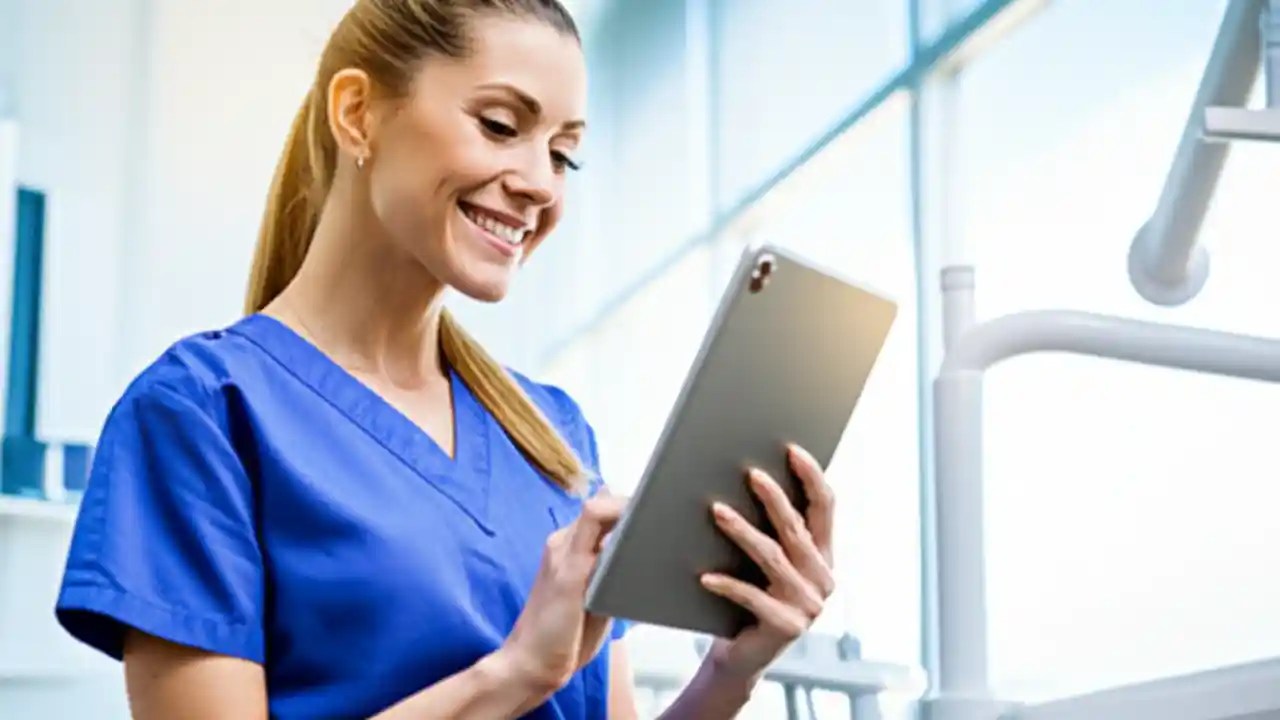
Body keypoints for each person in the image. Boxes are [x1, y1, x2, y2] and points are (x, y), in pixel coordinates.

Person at [53, 1, 838, 718]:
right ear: (358, 113)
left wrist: (731, 672)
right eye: (500, 125)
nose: (538, 184)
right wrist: (515, 675)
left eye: (564, 156)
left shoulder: (553, 436)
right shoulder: (201, 414)